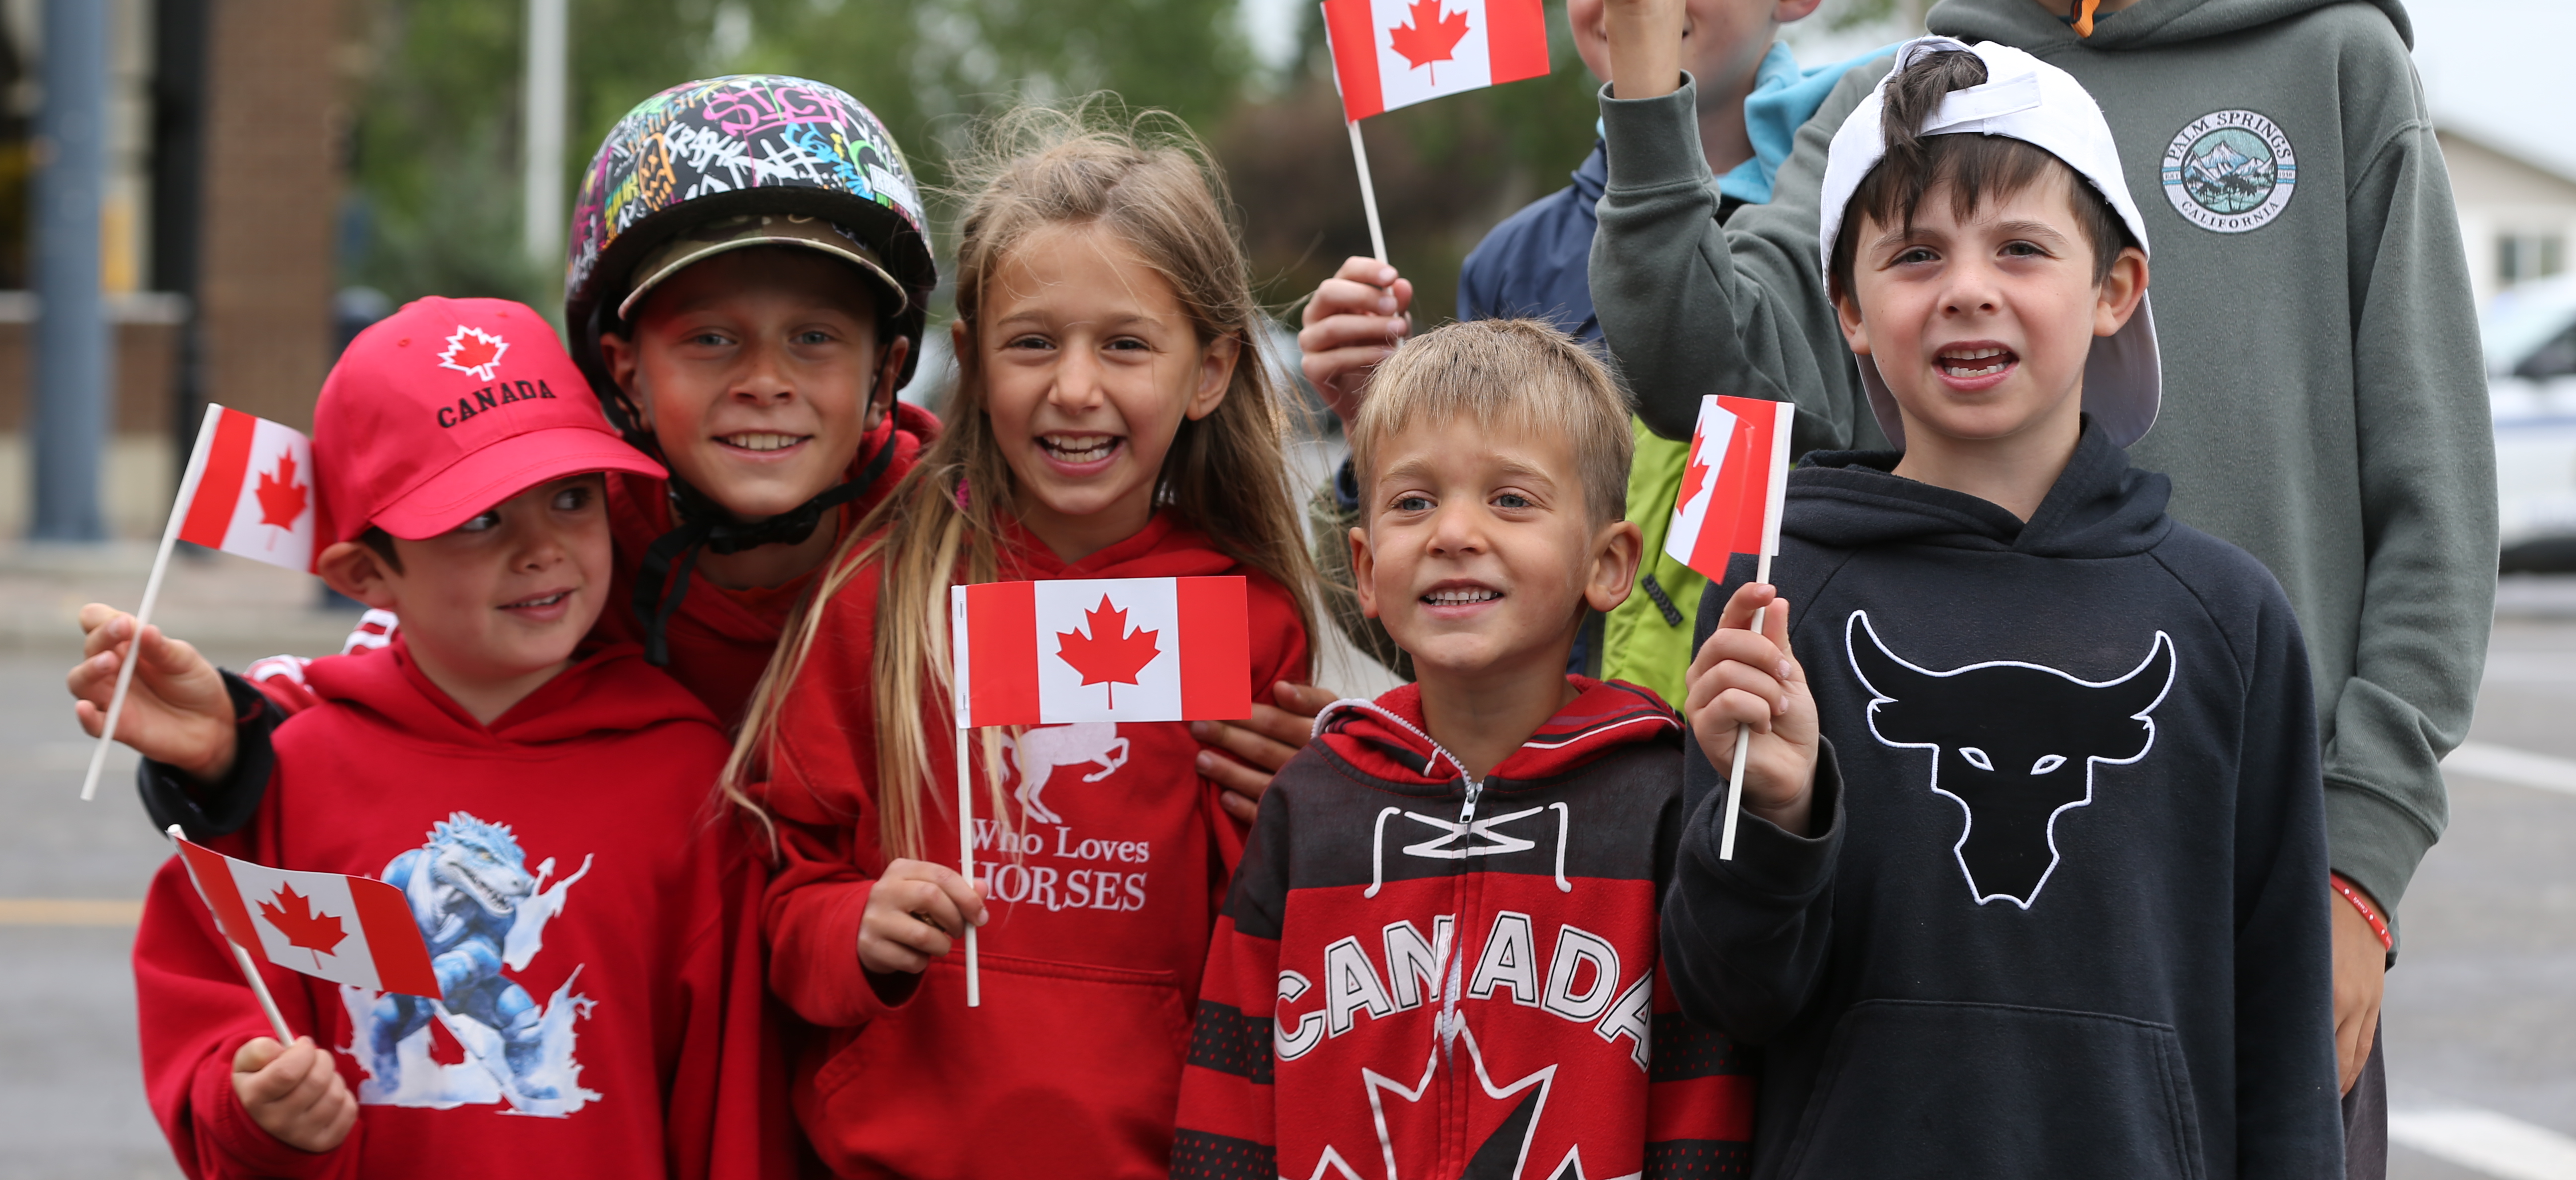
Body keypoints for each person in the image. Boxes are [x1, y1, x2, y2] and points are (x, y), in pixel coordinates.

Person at [1558, 0, 2490, 1165]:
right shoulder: (1899, 107)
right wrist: (1646, 56)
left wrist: (2358, 863)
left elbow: (2432, 501)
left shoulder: (2333, 57)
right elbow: (1700, 358)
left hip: (2252, 877)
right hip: (1952, 932)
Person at [80, 76, 1318, 831]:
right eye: (710, 337)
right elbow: (393, 721)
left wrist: (1292, 784)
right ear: (622, 369)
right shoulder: (561, 553)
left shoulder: (963, 557)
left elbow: (1131, 713)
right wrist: (230, 760)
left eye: (817, 339)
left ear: (893, 370)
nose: (767, 380)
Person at [1665, 38, 2340, 1177]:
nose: (1968, 287)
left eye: (2021, 248)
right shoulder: (1778, 602)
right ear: (1851, 312)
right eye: (1916, 254)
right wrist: (1775, 817)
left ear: (2116, 288)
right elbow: (1731, 997)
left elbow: (2282, 1035)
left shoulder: (2232, 619)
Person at [728, 106, 1319, 1180]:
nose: (1076, 387)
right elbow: (782, 898)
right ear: (971, 361)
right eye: (1034, 342)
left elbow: (1281, 942)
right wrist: (853, 929)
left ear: (1211, 371)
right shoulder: (884, 595)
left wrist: (1323, 807)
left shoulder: (1249, 618)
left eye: (1127, 344)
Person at [125, 297, 781, 1179]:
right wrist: (253, 1110)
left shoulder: (685, 773)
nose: (544, 548)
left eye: (571, 497)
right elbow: (215, 1014)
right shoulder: (290, 769)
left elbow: (728, 1093)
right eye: (480, 519)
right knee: (398, 1024)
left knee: (512, 1020)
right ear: (367, 575)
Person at [1297, 0, 1878, 699]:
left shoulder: (1862, 220)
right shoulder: (1515, 264)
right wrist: (1373, 423)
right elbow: (1447, 603)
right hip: (1573, 782)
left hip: (1786, 750)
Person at [1174, 319, 1754, 1180]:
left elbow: (1705, 1096)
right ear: (1365, 570)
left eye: (1511, 499)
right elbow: (1231, 1088)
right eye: (1413, 502)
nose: (1453, 533)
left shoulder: (1663, 799)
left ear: (1609, 563)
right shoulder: (1312, 801)